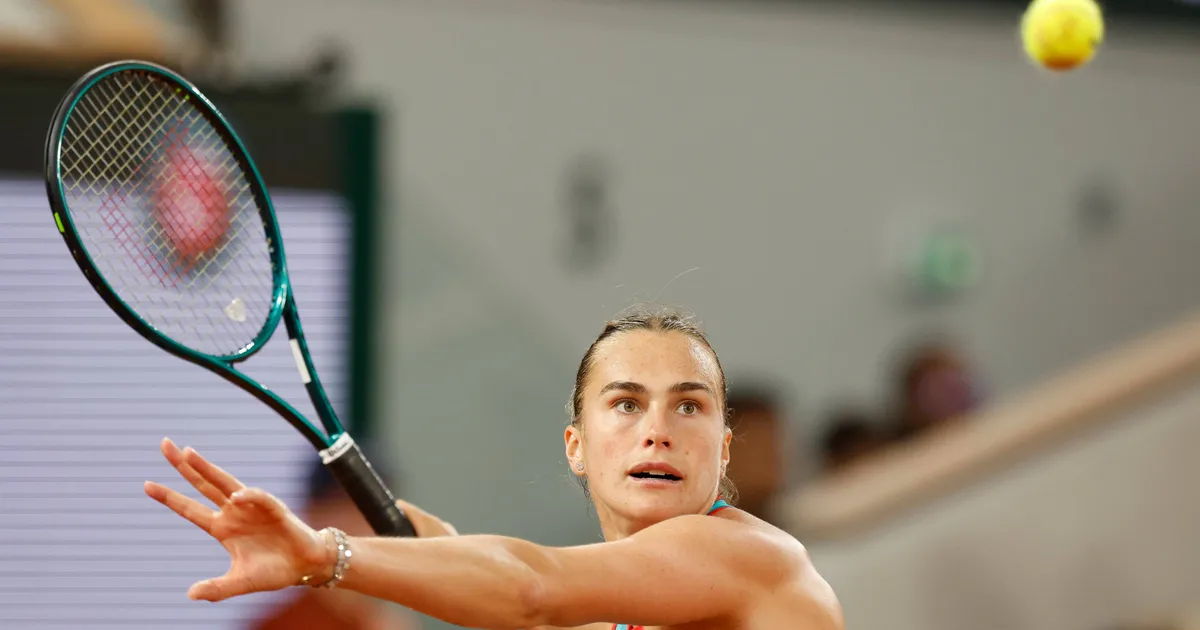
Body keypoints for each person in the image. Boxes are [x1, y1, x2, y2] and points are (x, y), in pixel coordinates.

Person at [144, 305, 845, 630]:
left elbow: (533, 590)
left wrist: (330, 553)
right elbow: (518, 601)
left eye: (688, 407)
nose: (658, 431)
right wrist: (413, 545)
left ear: (724, 450)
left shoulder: (747, 556)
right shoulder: (618, 616)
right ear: (575, 444)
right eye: (627, 404)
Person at [246, 452, 421, 630]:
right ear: (312, 514)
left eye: (374, 513)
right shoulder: (284, 624)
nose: (361, 526)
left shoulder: (391, 617)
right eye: (345, 510)